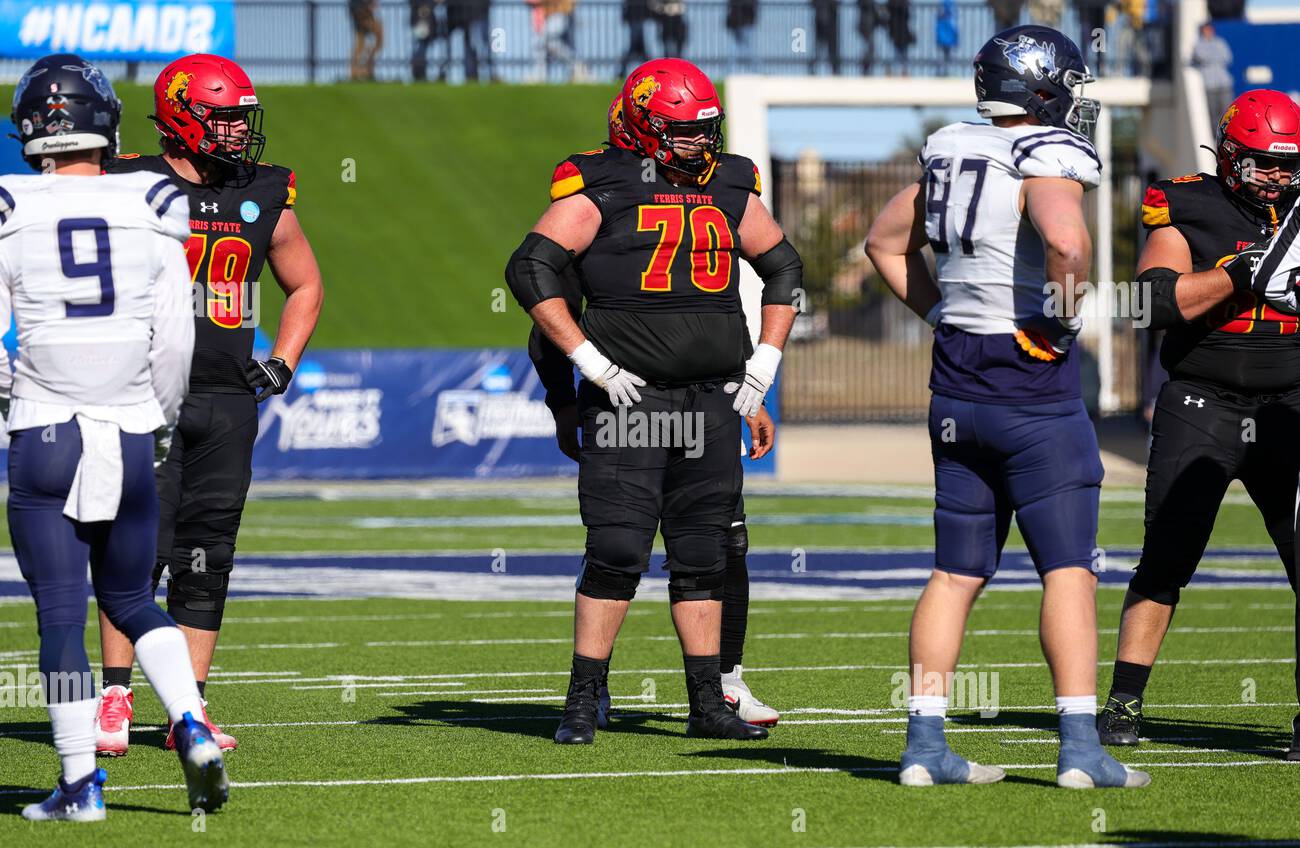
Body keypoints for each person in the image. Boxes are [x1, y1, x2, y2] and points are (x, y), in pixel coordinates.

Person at [865, 25, 1149, 788]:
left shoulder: (950, 146)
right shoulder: (1046, 154)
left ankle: (924, 747)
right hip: (1027, 379)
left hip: (956, 374)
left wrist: (937, 314)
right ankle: (1082, 752)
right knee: (1068, 568)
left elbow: (884, 244)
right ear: (1045, 85)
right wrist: (1055, 325)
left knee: (955, 572)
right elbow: (1067, 244)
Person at [505, 58, 802, 744]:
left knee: (704, 555)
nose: (699, 144)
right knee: (616, 548)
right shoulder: (601, 181)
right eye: (682, 131)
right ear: (641, 125)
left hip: (710, 399)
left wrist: (761, 367)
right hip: (630, 399)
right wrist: (586, 362)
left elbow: (784, 264)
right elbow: (531, 266)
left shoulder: (731, 183)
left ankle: (708, 703)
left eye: (705, 130)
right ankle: (583, 697)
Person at [2, 54, 228, 819]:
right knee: (133, 594)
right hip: (131, 430)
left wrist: (17, 397)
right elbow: (175, 339)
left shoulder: (9, 204)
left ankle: (78, 787)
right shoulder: (156, 200)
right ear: (106, 126)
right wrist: (154, 416)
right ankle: (191, 722)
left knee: (63, 612)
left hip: (45, 432)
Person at [92, 54, 324, 757]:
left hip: (226, 397)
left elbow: (306, 285)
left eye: (237, 118)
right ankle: (114, 696)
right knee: (136, 548)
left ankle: (186, 711)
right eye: (222, 116)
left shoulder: (263, 191)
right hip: (143, 393)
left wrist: (282, 361)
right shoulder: (127, 182)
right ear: (183, 115)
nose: (234, 132)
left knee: (206, 554)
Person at [1106, 90, 1300, 760]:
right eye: (1263, 164)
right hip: (1204, 400)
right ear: (1227, 155)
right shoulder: (1185, 202)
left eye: (1288, 165)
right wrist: (1242, 273)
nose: (1278, 177)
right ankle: (1125, 698)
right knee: (1169, 550)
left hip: (1291, 404)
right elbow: (1147, 302)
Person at [1191, 21, 1234, 132]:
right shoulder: (1198, 45)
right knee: (1213, 114)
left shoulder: (1220, 42)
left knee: (1228, 112)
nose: (1208, 32)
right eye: (1206, 29)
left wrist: (1211, 58)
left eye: (1210, 29)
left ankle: (1229, 134)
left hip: (1224, 83)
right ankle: (1216, 137)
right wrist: (1214, 57)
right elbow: (1201, 57)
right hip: (1209, 85)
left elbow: (1227, 57)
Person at [411, 0, 450, 82]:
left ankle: (441, 72)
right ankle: (419, 73)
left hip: (435, 20)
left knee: (441, 48)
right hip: (422, 20)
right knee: (421, 47)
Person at [349, 0, 384, 81]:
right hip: (361, 14)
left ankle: (359, 71)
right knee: (361, 45)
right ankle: (357, 72)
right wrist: (369, 4)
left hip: (362, 14)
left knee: (361, 45)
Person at [812, 0, 843, 76]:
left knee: (830, 48)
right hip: (822, 22)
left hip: (830, 23)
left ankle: (835, 70)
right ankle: (814, 69)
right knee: (820, 48)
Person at [726, 0, 757, 75]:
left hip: (742, 21)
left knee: (744, 47)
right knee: (745, 47)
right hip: (740, 21)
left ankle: (754, 69)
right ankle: (754, 69)